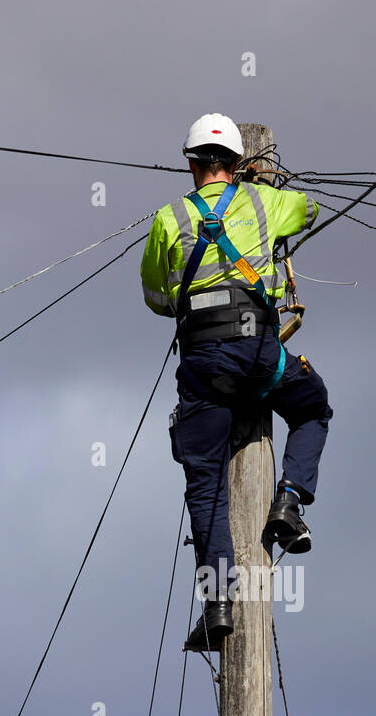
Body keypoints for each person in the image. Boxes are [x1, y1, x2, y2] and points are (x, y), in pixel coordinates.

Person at [140, 113, 333, 653]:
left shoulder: (167, 217)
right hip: (258, 355)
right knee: (312, 405)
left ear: (192, 163)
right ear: (237, 163)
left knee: (205, 485)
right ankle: (290, 501)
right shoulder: (263, 201)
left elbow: (156, 298)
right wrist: (266, 189)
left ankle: (219, 602)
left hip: (203, 366)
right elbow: (311, 210)